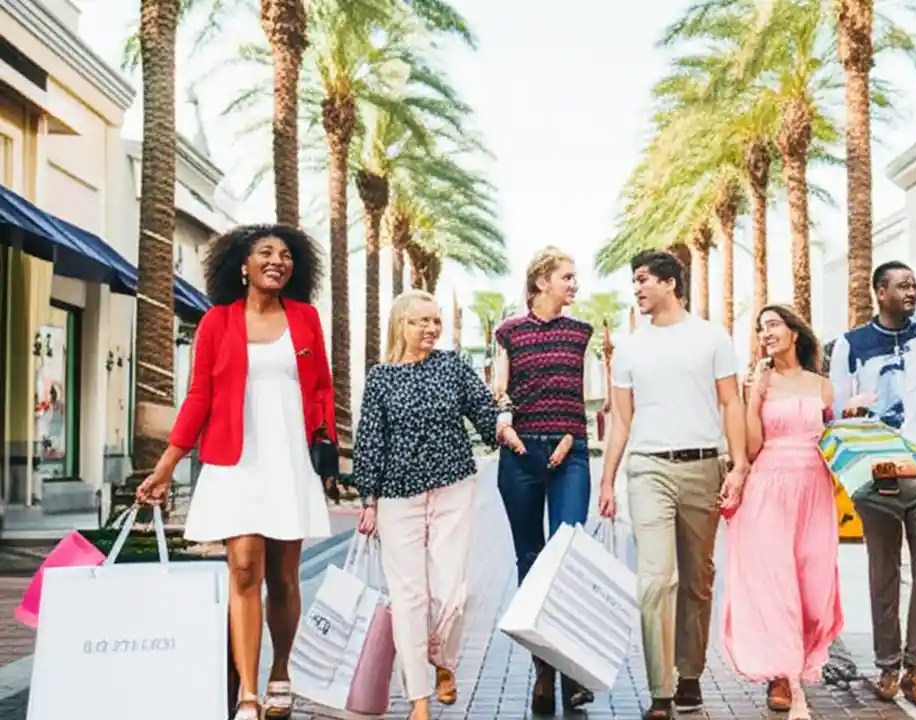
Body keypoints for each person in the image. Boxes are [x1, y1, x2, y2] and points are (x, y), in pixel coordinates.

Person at [136, 223, 335, 720]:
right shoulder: (216, 323)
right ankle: (247, 691)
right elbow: (198, 396)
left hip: (288, 461)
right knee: (244, 568)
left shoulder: (305, 319)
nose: (277, 261)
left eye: (285, 254)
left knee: (284, 577)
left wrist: (327, 453)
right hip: (235, 462)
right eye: (265, 252)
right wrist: (166, 465)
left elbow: (321, 390)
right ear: (242, 266)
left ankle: (280, 671)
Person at [353, 290, 524, 720]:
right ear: (401, 325)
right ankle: (419, 699)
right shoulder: (381, 378)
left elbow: (483, 409)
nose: (431, 328)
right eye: (421, 321)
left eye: (435, 320)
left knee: (452, 591)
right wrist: (368, 500)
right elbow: (370, 440)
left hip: (452, 486)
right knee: (409, 596)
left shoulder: (452, 366)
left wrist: (502, 428)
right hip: (397, 495)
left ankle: (441, 656)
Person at [598, 250, 749, 720]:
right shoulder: (629, 349)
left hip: (704, 465)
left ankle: (690, 678)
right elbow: (621, 421)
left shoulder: (712, 337)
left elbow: (732, 404)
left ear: (670, 283)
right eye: (634, 280)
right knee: (655, 580)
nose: (637, 288)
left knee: (698, 581)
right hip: (648, 469)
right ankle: (660, 690)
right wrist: (607, 481)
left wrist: (739, 465)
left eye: (643, 279)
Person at [828, 260, 916, 713]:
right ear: (880, 292)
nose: (912, 292)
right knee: (883, 575)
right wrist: (850, 414)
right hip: (876, 479)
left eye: (914, 285)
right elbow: (836, 418)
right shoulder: (851, 345)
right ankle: (887, 666)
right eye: (902, 285)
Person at [723, 305, 843, 720]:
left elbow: (833, 441)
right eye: (760, 328)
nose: (765, 333)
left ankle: (795, 662)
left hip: (814, 489)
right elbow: (753, 446)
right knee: (778, 584)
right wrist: (753, 397)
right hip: (769, 486)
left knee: (812, 585)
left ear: (795, 333)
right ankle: (788, 681)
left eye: (773, 324)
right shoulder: (760, 382)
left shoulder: (823, 387)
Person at [491, 247, 596, 714]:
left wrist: (572, 433)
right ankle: (545, 670)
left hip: (569, 454)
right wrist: (506, 427)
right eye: (566, 277)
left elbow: (582, 394)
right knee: (531, 561)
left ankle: (570, 669)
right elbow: (500, 391)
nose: (574, 284)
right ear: (541, 282)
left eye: (574, 277)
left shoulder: (581, 332)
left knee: (566, 559)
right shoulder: (509, 331)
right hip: (520, 453)